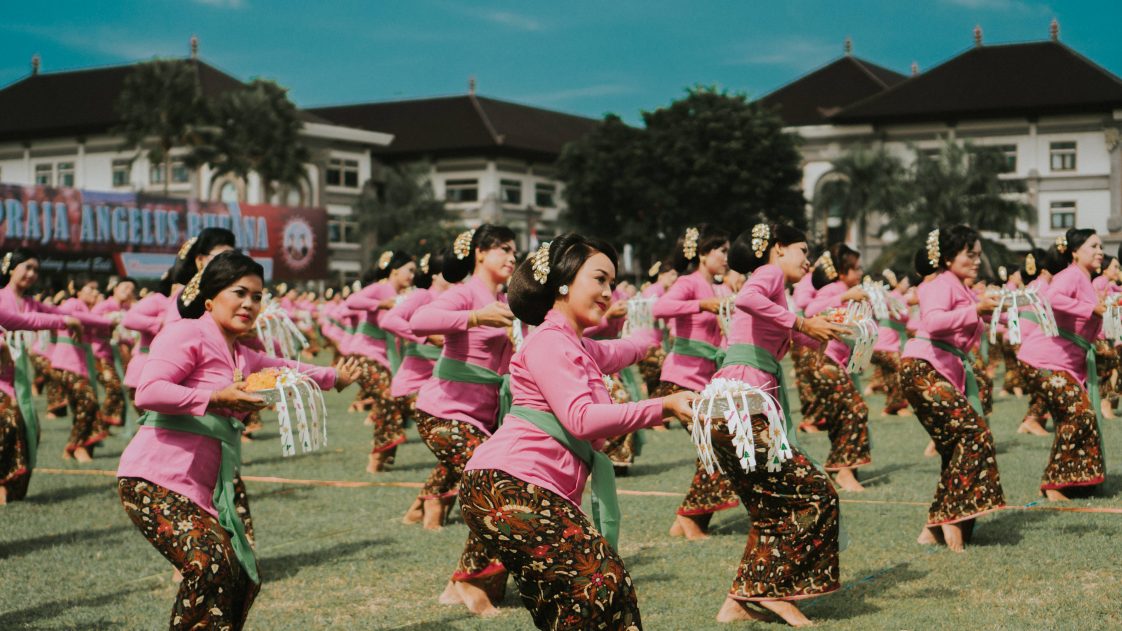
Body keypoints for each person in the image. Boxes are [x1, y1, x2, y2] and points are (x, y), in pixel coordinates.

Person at [459, 233, 697, 629]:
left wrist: (653, 334)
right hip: (510, 484)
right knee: (597, 581)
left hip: (525, 488)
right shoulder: (549, 343)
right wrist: (663, 406)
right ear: (564, 282)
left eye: (612, 282)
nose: (609, 291)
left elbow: (622, 350)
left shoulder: (577, 345)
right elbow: (581, 419)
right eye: (600, 279)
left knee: (596, 592)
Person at [116, 250, 360, 630]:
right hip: (153, 480)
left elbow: (285, 368)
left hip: (197, 488)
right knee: (211, 562)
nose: (249, 303)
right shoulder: (185, 332)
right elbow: (148, 392)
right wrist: (215, 397)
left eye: (257, 296)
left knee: (240, 573)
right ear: (211, 299)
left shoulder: (240, 355)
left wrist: (333, 376)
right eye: (240, 292)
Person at [709, 223, 846, 627]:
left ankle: (740, 599)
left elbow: (795, 334)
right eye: (802, 250)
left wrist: (832, 329)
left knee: (771, 508)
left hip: (737, 403)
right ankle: (774, 593)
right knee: (818, 494)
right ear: (778, 249)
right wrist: (804, 324)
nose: (808, 259)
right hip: (744, 404)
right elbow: (748, 298)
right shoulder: (767, 275)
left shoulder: (779, 293)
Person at [409, 224, 518, 615]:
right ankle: (467, 583)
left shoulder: (507, 300)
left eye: (514, 251)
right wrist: (475, 318)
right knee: (494, 487)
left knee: (502, 489)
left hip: (484, 418)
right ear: (479, 254)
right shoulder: (464, 294)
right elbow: (419, 322)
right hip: (443, 412)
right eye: (503, 249)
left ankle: (468, 581)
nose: (511, 257)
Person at [900, 226, 1006, 551]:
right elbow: (931, 322)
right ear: (948, 258)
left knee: (957, 446)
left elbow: (979, 320)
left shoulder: (963, 288)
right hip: (924, 366)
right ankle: (950, 518)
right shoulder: (938, 284)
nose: (976, 261)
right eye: (969, 254)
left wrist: (1016, 306)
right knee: (974, 436)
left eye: (978, 254)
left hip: (942, 369)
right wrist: (975, 310)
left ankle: (934, 527)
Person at [652, 225, 740, 539]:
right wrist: (700, 305)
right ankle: (690, 520)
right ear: (703, 254)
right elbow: (660, 308)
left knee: (721, 445)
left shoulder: (721, 288)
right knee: (718, 444)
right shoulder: (689, 283)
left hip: (706, 381)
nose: (727, 258)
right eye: (722, 251)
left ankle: (687, 521)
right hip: (680, 379)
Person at [1017, 228, 1108, 501]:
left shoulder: (1086, 280)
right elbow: (1052, 298)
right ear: (1075, 252)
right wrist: (1091, 309)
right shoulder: (1070, 275)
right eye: (1093, 246)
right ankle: (1056, 484)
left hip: (1064, 363)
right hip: (1043, 359)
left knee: (1079, 416)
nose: (1099, 251)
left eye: (1101, 246)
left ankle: (1076, 482)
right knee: (1079, 414)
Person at [0, 248, 83, 503]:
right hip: (5, 376)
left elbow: (29, 319)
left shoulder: (32, 304)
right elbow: (21, 321)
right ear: (10, 268)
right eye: (27, 267)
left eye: (36, 269)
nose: (32, 274)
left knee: (29, 430)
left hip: (18, 377)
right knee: (10, 421)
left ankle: (11, 489)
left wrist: (79, 321)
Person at [381, 250, 455, 529]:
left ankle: (419, 506)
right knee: (455, 449)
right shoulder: (424, 296)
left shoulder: (457, 300)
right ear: (435, 275)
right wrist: (426, 334)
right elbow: (389, 321)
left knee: (455, 450)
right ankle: (428, 504)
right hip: (412, 388)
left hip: (437, 391)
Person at [804, 244, 873, 492]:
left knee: (843, 415)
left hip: (842, 364)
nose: (860, 272)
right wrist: (844, 297)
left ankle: (844, 468)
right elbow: (810, 311)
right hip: (825, 360)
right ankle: (842, 470)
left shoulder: (850, 292)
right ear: (842, 272)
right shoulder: (834, 289)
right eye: (856, 268)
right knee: (855, 409)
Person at [346, 250, 415, 472]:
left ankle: (384, 455)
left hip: (386, 360)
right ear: (395, 270)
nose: (412, 275)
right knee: (388, 396)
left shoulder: (406, 296)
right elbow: (352, 301)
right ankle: (377, 457)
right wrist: (380, 304)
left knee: (397, 398)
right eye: (410, 270)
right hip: (363, 354)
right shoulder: (381, 289)